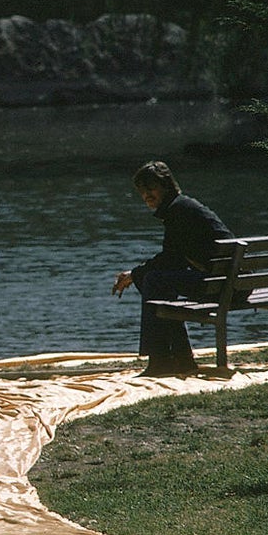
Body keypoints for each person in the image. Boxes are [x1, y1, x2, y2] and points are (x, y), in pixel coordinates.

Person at [111, 160, 232, 377]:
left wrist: (134, 274)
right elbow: (174, 259)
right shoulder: (182, 207)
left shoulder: (178, 211)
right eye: (142, 190)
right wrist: (138, 273)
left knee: (154, 281)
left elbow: (171, 260)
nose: (147, 194)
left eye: (151, 188)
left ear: (166, 185)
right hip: (229, 281)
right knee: (157, 282)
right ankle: (178, 359)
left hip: (223, 285)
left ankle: (161, 360)